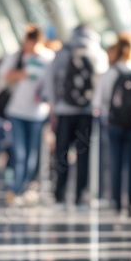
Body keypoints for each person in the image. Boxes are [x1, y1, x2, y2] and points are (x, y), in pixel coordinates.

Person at [42, 25, 109, 207]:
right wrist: (97, 106)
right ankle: (80, 193)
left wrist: (53, 103)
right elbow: (103, 83)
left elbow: (50, 77)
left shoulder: (63, 50)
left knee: (62, 152)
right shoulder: (98, 52)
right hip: (87, 112)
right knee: (84, 155)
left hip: (64, 110)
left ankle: (59, 192)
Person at [0, 25, 55, 207]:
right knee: (19, 153)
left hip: (38, 113)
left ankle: (26, 186)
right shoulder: (18, 57)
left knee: (32, 155)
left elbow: (52, 86)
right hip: (17, 112)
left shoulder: (49, 58)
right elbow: (3, 75)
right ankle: (17, 189)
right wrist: (22, 73)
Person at [93, 34, 131, 216]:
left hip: (114, 123)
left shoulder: (111, 73)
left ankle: (115, 201)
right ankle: (130, 201)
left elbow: (99, 101)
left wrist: (105, 116)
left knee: (115, 162)